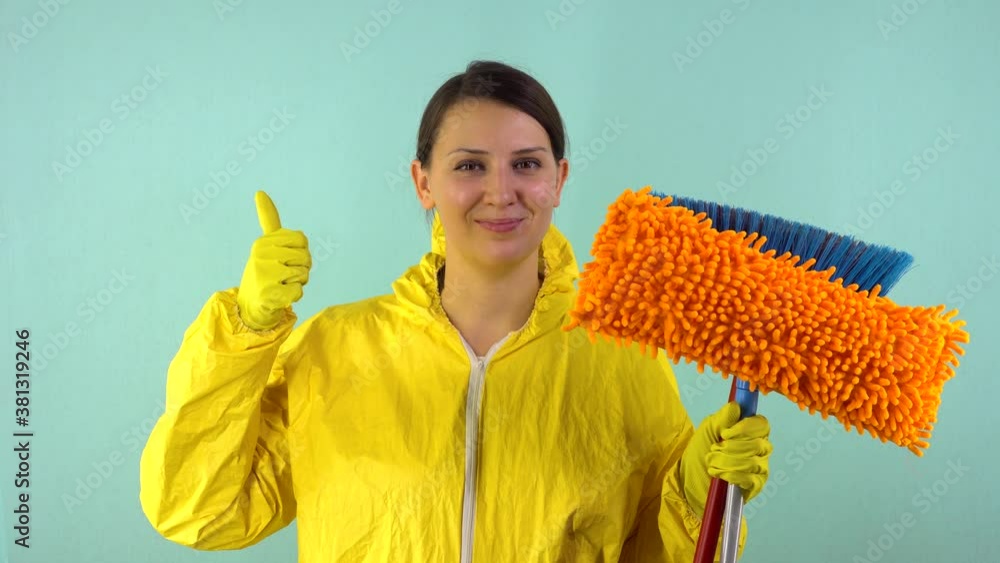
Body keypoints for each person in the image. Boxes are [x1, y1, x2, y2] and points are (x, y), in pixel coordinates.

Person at [139, 60, 773, 562]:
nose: (501, 192)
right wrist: (247, 328)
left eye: (526, 164)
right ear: (423, 182)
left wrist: (698, 496)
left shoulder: (624, 359)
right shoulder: (335, 351)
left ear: (559, 179)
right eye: (470, 165)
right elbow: (198, 510)